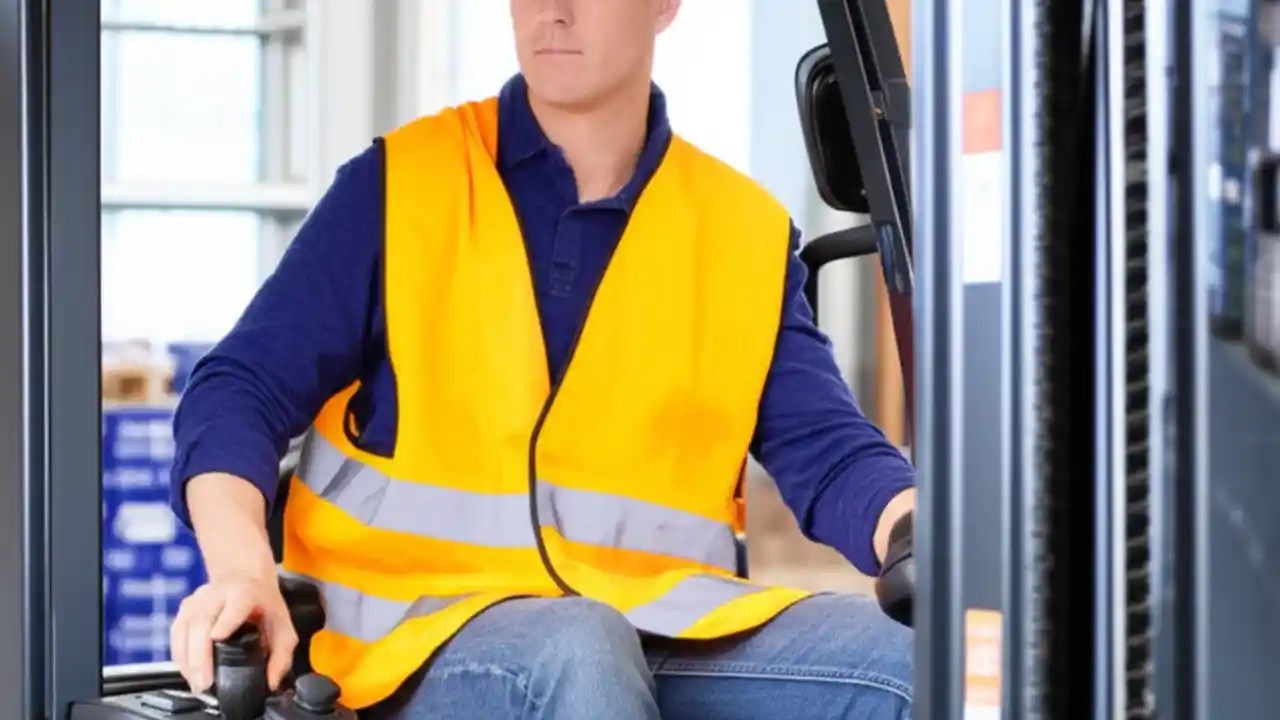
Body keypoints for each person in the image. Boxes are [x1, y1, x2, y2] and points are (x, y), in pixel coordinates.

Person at [167, 0, 917, 717]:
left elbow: (829, 453)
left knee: (926, 660)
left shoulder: (741, 232)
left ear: (665, 3)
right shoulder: (401, 187)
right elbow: (240, 390)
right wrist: (242, 573)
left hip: (668, 626)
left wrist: (922, 530)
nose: (549, 10)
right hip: (409, 645)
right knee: (580, 648)